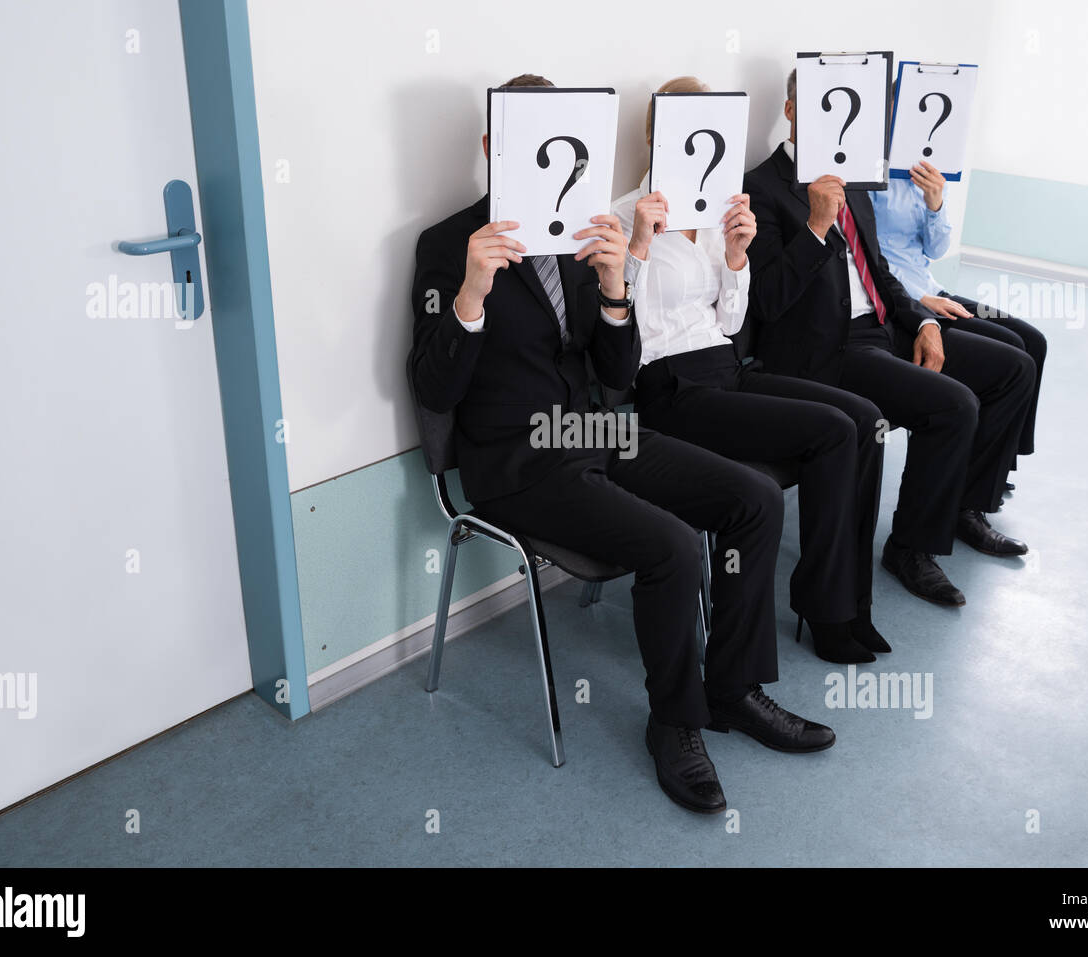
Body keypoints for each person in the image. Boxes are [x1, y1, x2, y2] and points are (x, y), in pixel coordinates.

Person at [410, 74, 835, 816]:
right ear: (493, 147)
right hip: (516, 456)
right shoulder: (449, 245)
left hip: (596, 431)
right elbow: (435, 390)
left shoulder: (582, 234)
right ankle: (675, 722)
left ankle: (733, 688)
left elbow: (613, 374)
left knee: (755, 498)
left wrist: (613, 290)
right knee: (670, 545)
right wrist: (470, 296)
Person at [612, 75, 889, 664]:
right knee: (832, 430)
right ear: (659, 137)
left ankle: (842, 601)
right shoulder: (618, 217)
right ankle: (829, 614)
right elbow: (615, 332)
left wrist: (736, 257)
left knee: (862, 418)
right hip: (670, 386)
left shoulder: (716, 216)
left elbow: (734, 321)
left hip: (727, 366)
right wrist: (637, 244)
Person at [744, 68, 1037, 608]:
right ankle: (910, 548)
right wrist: (813, 227)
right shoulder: (760, 188)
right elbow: (764, 302)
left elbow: (878, 268)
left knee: (1013, 366)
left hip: (886, 326)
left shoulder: (852, 179)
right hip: (828, 350)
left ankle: (963, 509)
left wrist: (923, 321)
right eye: (816, 109)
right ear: (790, 112)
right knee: (953, 406)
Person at [871, 161, 1047, 477]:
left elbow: (936, 250)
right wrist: (918, 298)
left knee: (1033, 340)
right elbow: (866, 254)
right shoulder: (871, 176)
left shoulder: (925, 175)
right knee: (1012, 350)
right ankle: (982, 475)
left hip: (933, 289)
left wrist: (935, 202)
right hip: (906, 298)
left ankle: (1000, 462)